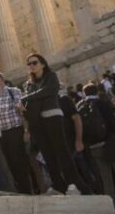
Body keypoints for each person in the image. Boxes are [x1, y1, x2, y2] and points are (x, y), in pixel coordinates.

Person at [21, 53, 91, 195]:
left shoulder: (51, 76)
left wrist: (26, 98)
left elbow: (50, 91)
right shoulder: (29, 84)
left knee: (61, 151)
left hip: (52, 115)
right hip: (37, 121)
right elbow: (35, 99)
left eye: (34, 63)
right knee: (48, 154)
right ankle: (58, 185)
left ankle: (74, 183)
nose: (31, 66)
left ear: (43, 64)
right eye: (29, 64)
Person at [80, 83, 115, 214]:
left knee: (106, 181)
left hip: (94, 148)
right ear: (97, 91)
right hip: (112, 145)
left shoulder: (80, 107)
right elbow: (113, 124)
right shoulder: (102, 103)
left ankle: (113, 211)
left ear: (84, 93)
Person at [0, 71, 32, 194]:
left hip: (15, 131)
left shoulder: (13, 92)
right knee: (9, 163)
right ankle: (19, 190)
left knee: (19, 161)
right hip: (1, 135)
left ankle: (27, 190)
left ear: (0, 80)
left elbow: (22, 112)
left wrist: (26, 131)